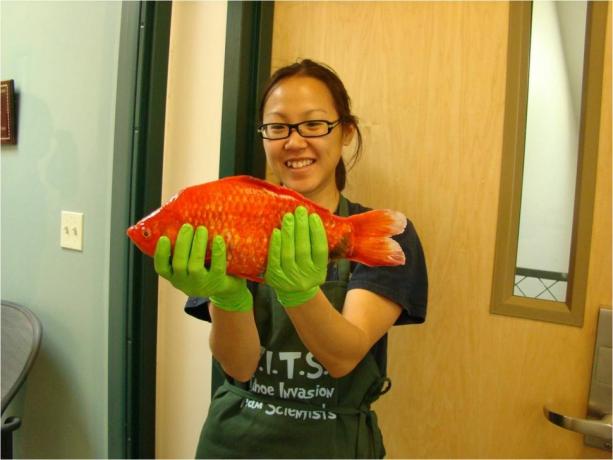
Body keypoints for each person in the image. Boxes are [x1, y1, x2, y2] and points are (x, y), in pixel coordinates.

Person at [154, 59, 428, 459]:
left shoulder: (384, 235)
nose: (294, 142)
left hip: (332, 444)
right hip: (233, 440)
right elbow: (240, 367)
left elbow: (342, 357)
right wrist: (227, 297)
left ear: (346, 132)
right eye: (277, 127)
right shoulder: (227, 222)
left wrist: (298, 292)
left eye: (314, 124)